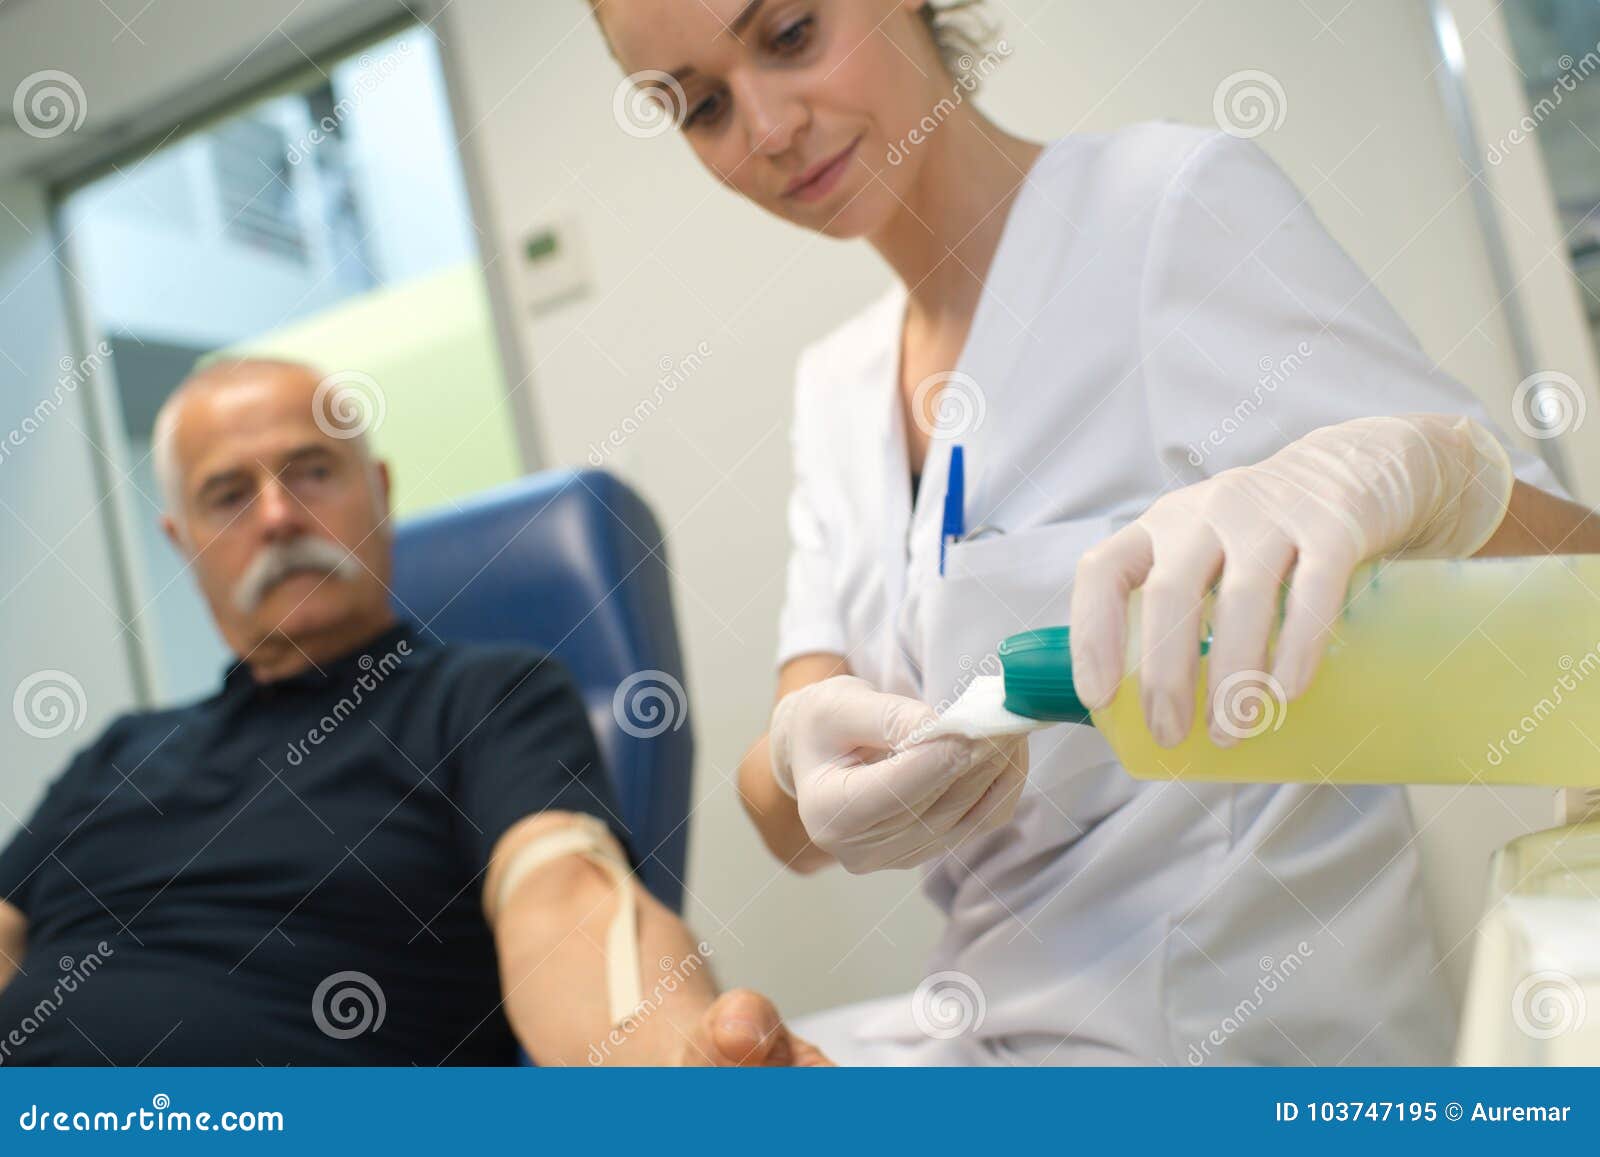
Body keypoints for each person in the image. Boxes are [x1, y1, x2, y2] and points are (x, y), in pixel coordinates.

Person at [593, 0, 1600, 1064]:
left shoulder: (1163, 210)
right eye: (699, 106)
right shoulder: (836, 386)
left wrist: (1439, 485)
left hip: (1245, 1038)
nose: (764, 127)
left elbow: (1577, 585)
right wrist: (804, 769)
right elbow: (782, 808)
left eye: (789, 35)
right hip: (980, 1024)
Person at [0, 359, 826, 1068]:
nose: (279, 516)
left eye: (312, 470)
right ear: (184, 542)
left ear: (380, 490)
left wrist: (675, 1064)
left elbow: (566, 898)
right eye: (229, 494)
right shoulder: (120, 751)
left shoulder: (485, 696)